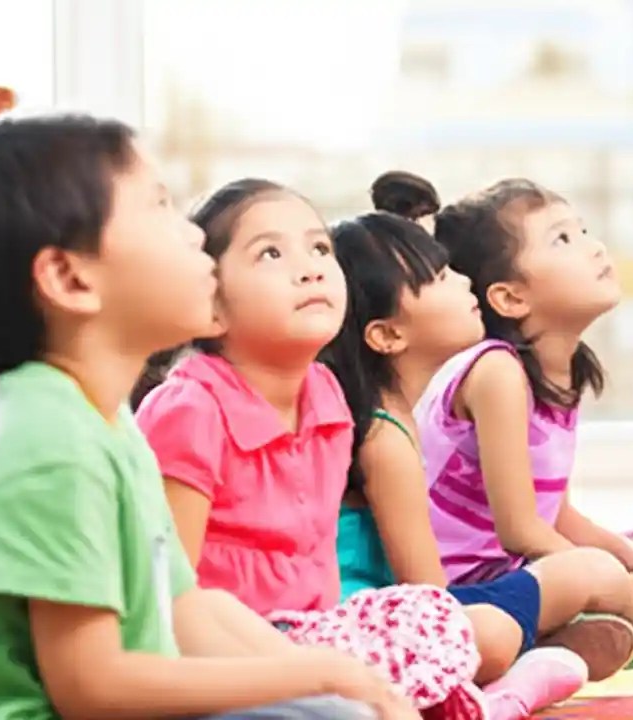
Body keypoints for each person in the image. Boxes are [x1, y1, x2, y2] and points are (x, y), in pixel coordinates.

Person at [0, 113, 405, 719]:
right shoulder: (47, 440)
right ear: (69, 277)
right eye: (159, 207)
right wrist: (320, 679)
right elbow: (92, 688)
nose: (192, 235)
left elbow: (188, 609)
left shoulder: (99, 421)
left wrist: (335, 679)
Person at [132, 178, 476, 719]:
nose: (311, 267)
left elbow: (319, 562)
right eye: (270, 252)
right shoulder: (190, 409)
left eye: (319, 248)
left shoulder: (327, 396)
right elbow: (170, 596)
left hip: (307, 633)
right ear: (212, 305)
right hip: (221, 650)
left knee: (445, 622)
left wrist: (334, 646)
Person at [327, 174, 633, 693]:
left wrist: (627, 568)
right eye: (439, 276)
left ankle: (559, 642)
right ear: (388, 334)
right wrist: (622, 581)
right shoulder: (387, 437)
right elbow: (431, 608)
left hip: (418, 613)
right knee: (512, 618)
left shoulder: (399, 422)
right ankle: (534, 674)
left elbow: (552, 517)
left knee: (594, 574)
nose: (463, 282)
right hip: (399, 623)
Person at [417, 175, 633, 649]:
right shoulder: (497, 372)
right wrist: (613, 573)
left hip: (532, 561)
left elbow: (559, 515)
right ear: (511, 297)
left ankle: (627, 605)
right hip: (477, 585)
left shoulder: (559, 371)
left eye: (584, 231)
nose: (593, 248)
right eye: (562, 240)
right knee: (591, 572)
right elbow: (520, 531)